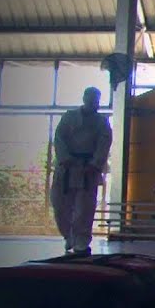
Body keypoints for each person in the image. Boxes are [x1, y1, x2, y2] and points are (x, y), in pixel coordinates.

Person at [50, 86, 112, 255]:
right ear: (84, 98)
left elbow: (104, 143)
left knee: (85, 207)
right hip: (67, 166)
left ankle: (81, 240)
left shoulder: (102, 122)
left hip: (88, 168)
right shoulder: (69, 117)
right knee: (59, 204)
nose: (93, 102)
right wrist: (65, 158)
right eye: (90, 98)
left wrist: (95, 163)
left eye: (96, 99)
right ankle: (68, 235)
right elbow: (59, 138)